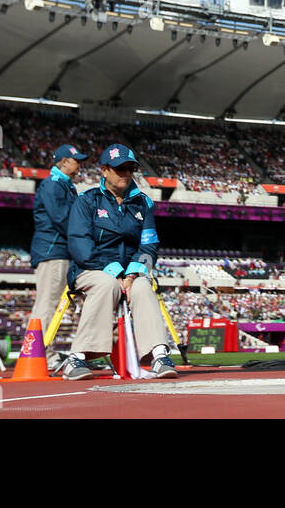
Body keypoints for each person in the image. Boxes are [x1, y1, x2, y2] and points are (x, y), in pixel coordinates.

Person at [61, 144, 177, 380]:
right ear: (104, 170)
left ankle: (159, 355)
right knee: (107, 284)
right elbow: (80, 245)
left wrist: (133, 274)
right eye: (120, 169)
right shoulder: (86, 201)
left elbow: (149, 245)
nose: (126, 174)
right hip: (91, 269)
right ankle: (77, 358)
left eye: (130, 169)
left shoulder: (143, 203)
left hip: (130, 273)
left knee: (144, 286)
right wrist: (114, 272)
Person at [29, 143, 83, 369]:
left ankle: (42, 351)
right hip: (53, 251)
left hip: (60, 251)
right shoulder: (53, 185)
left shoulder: (64, 184)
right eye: (76, 160)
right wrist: (83, 238)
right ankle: (38, 354)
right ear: (64, 162)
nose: (79, 164)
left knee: (51, 303)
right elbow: (62, 220)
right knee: (47, 303)